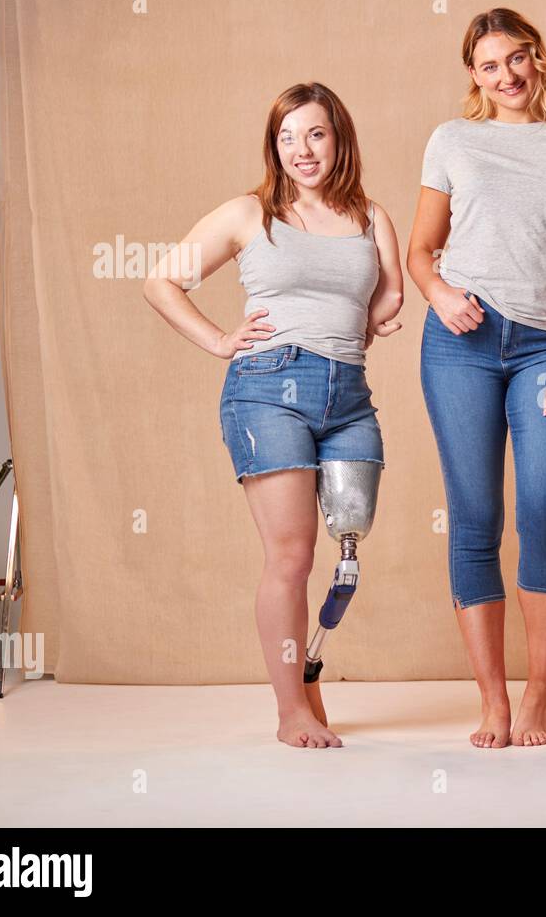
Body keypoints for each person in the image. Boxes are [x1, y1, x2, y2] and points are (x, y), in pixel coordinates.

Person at [143, 82, 404, 748]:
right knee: (292, 555)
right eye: (287, 137)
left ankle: (309, 675)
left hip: (348, 397)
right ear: (273, 146)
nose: (302, 150)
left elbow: (392, 287)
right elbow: (161, 281)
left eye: (315, 134)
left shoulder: (372, 216)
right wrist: (218, 340)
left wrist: (374, 317)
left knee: (348, 552)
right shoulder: (247, 213)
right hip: (267, 388)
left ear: (337, 137)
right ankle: (291, 710)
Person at [407, 8, 546, 748]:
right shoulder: (452, 139)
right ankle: (493, 700)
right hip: (461, 343)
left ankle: (539, 696)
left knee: (543, 508)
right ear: (474, 74)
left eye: (518, 58)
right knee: (473, 519)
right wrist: (439, 295)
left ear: (539, 57)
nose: (508, 76)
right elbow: (421, 251)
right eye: (490, 65)